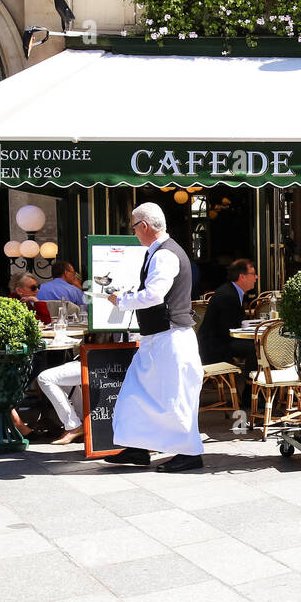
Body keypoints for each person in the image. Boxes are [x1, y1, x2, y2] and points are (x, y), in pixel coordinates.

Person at [103, 202, 204, 473]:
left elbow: (155, 295)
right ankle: (137, 448)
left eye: (134, 227)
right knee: (135, 393)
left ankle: (189, 453)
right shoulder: (158, 252)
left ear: (144, 226)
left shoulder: (164, 255)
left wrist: (122, 300)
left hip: (170, 337)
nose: (134, 232)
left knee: (175, 396)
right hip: (158, 337)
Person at [198, 259, 259, 373]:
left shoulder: (233, 291)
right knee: (255, 348)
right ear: (242, 277)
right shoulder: (228, 295)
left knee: (257, 345)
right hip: (214, 347)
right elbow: (227, 329)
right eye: (253, 274)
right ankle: (250, 387)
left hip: (221, 341)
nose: (256, 277)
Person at [37, 359, 85, 445]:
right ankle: (82, 421)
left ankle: (73, 426)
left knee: (43, 378)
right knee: (60, 376)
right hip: (95, 357)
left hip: (98, 361)